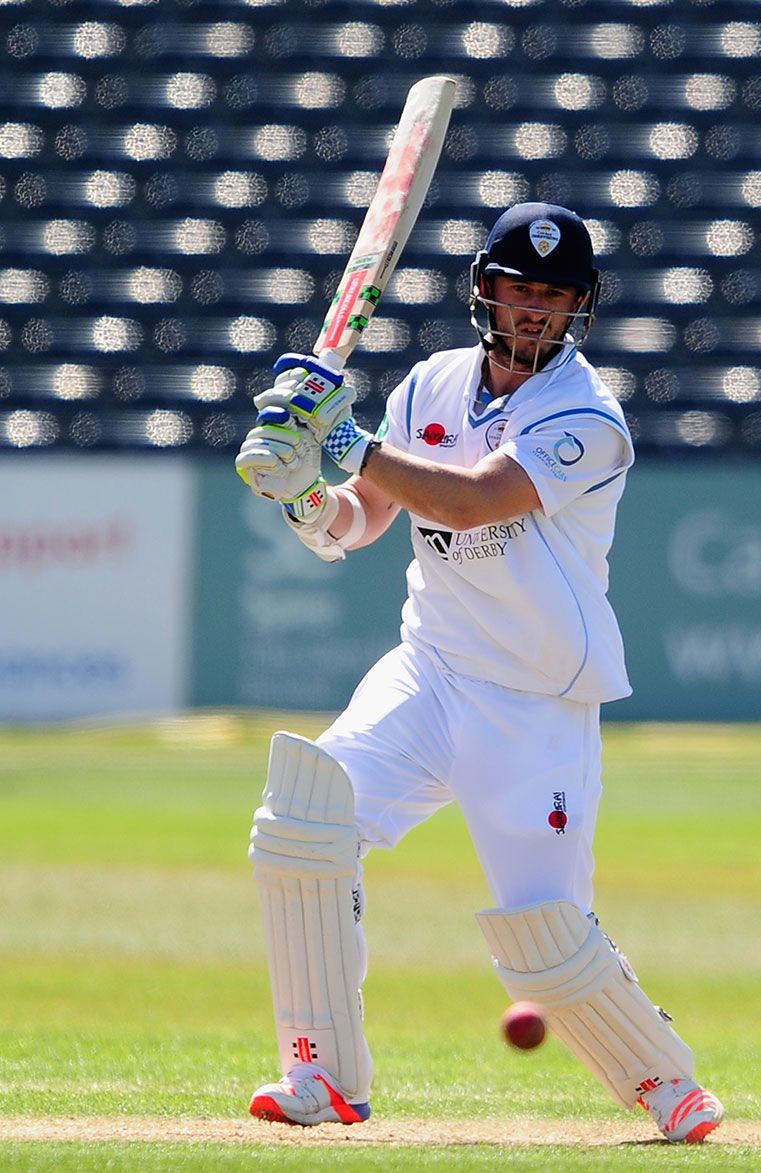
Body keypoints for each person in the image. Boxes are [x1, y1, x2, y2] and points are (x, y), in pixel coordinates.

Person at [234, 202, 724, 1143]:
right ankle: (322, 1075)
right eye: (519, 289)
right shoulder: (428, 384)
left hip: (535, 700)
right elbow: (359, 520)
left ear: (579, 307)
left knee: (542, 933)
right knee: (301, 822)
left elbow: (472, 500)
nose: (534, 309)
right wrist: (300, 488)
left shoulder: (589, 415)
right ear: (485, 292)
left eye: (555, 295)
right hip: (431, 669)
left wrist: (348, 442)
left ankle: (664, 1079)